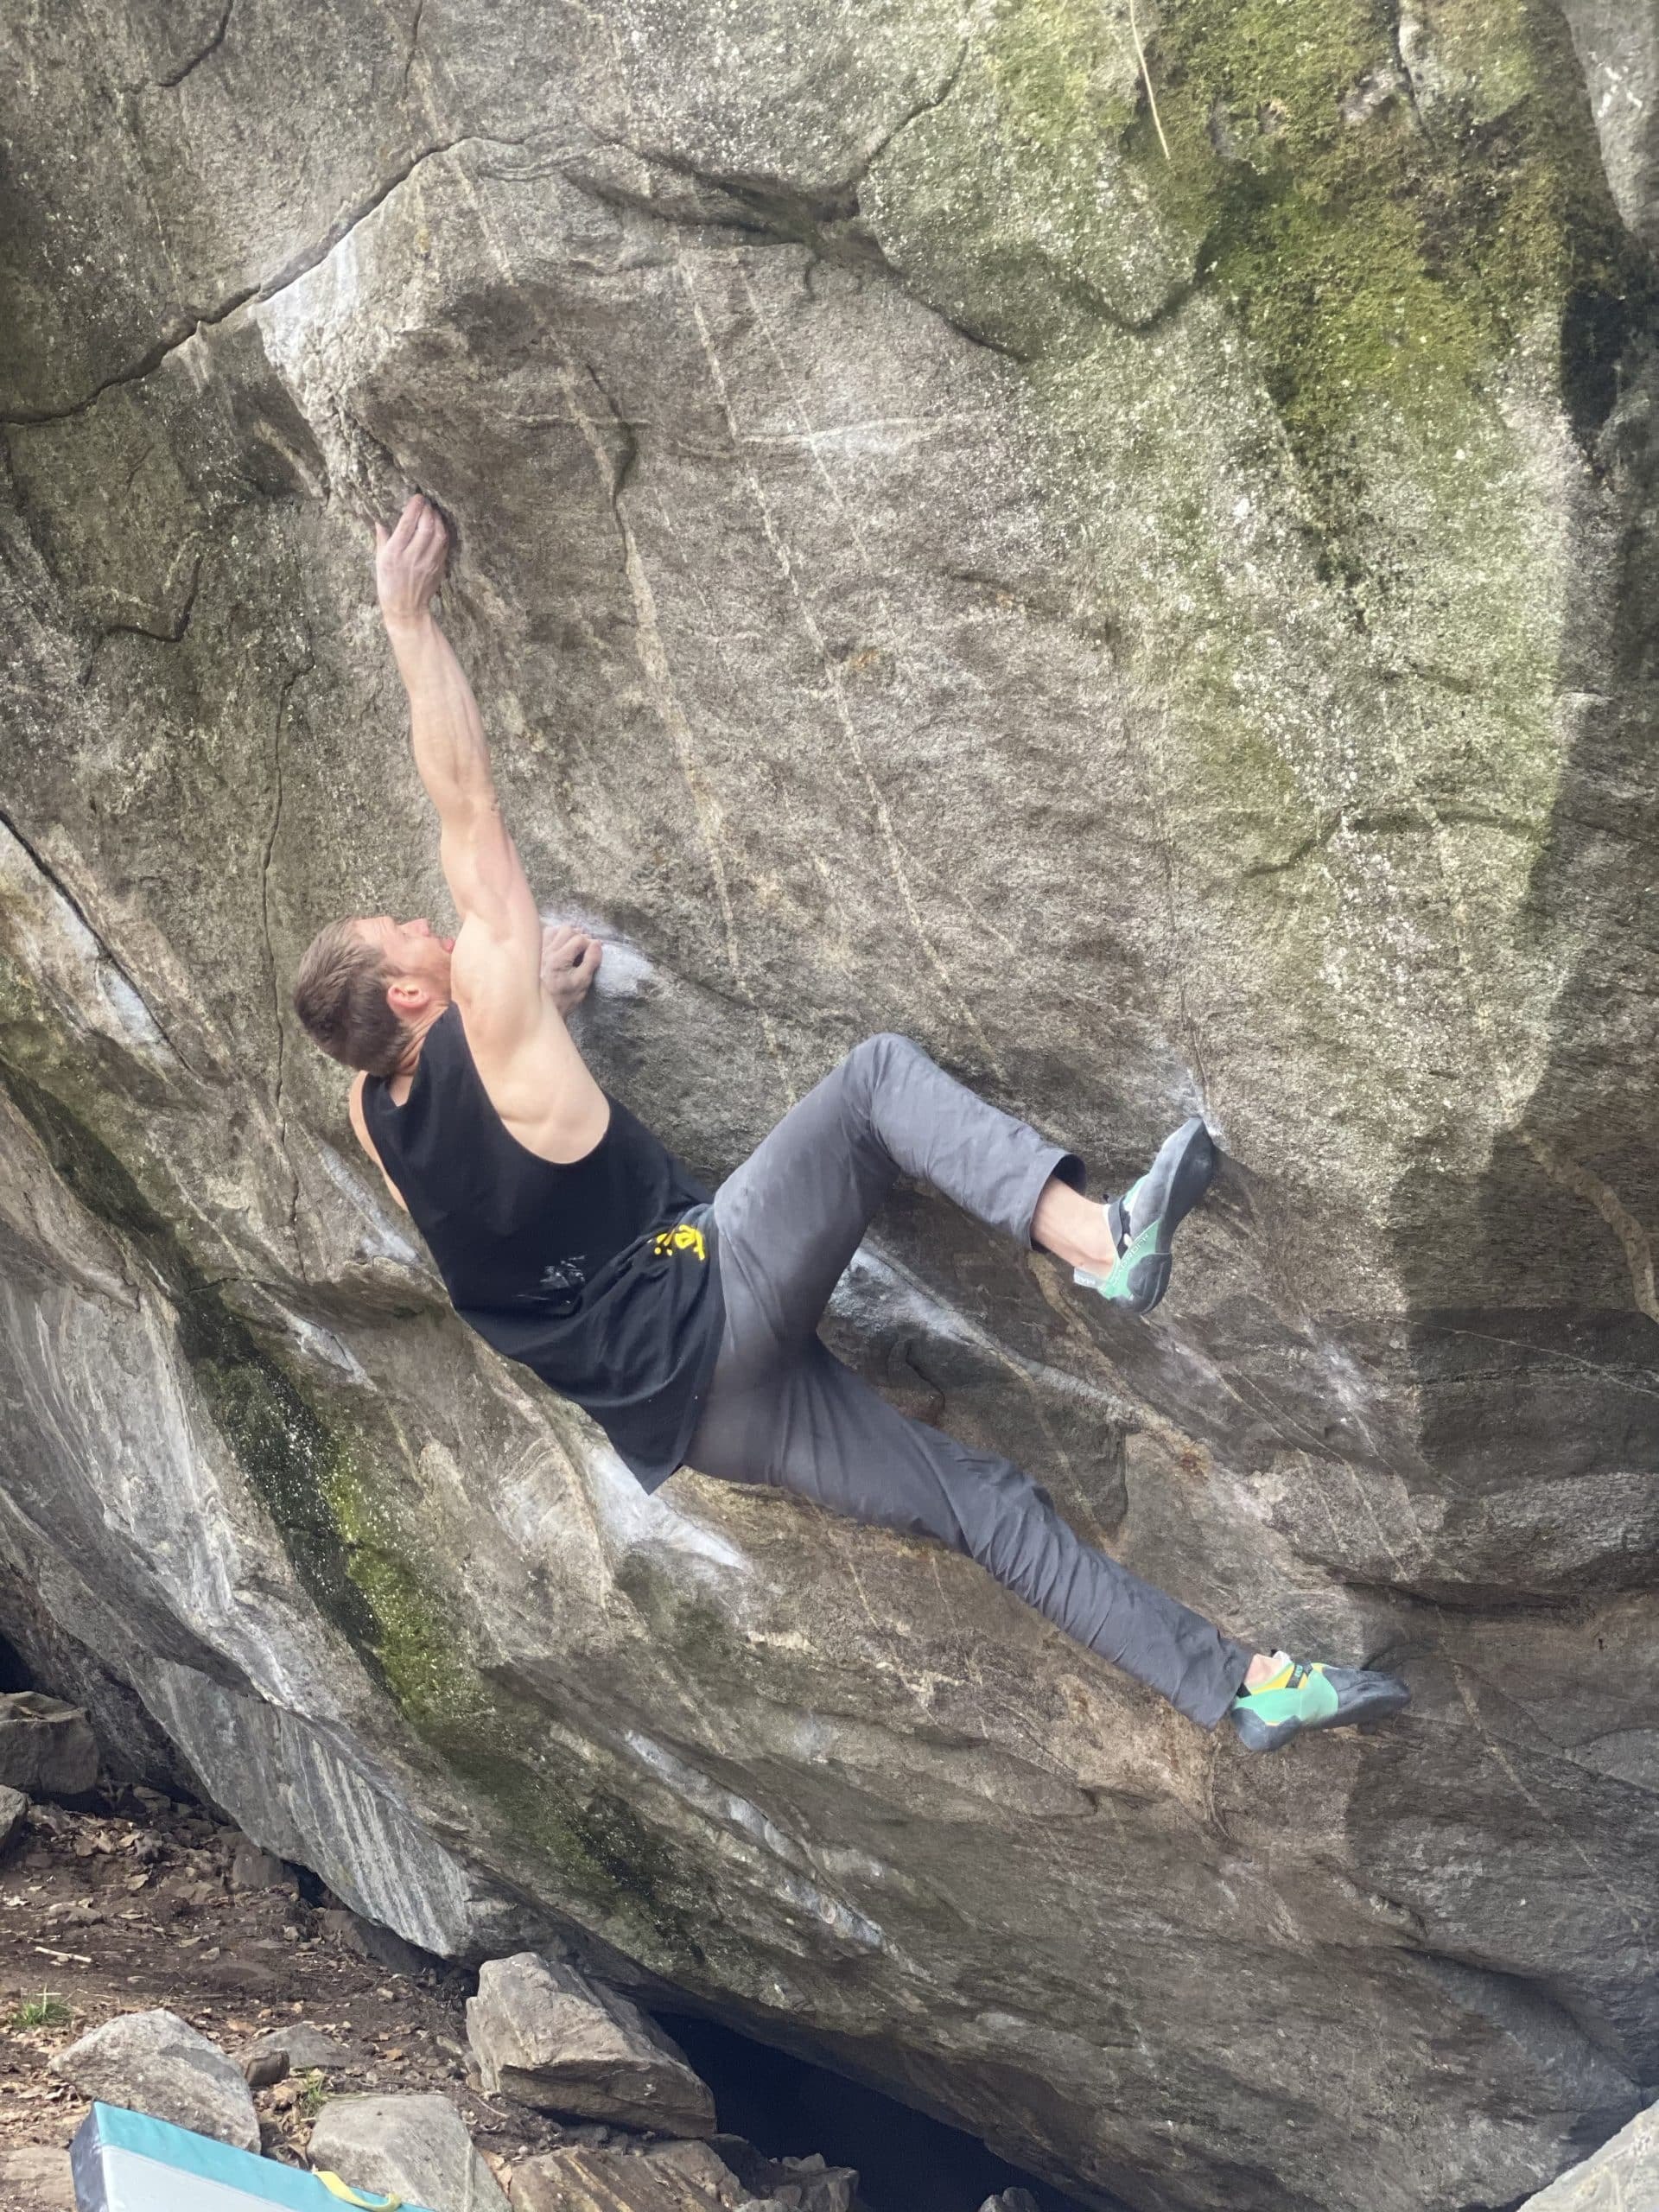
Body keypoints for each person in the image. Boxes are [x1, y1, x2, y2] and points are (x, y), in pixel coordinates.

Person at [292, 497, 1410, 1755]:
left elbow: (503, 1125)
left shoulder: (376, 1115)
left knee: (985, 1507)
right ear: (411, 994)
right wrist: (405, 616)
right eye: (414, 936)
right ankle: (1105, 1243)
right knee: (875, 1082)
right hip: (709, 1292)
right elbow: (464, 799)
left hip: (699, 1422)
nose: (433, 928)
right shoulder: (482, 1003)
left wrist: (538, 1007)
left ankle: (1241, 1691)